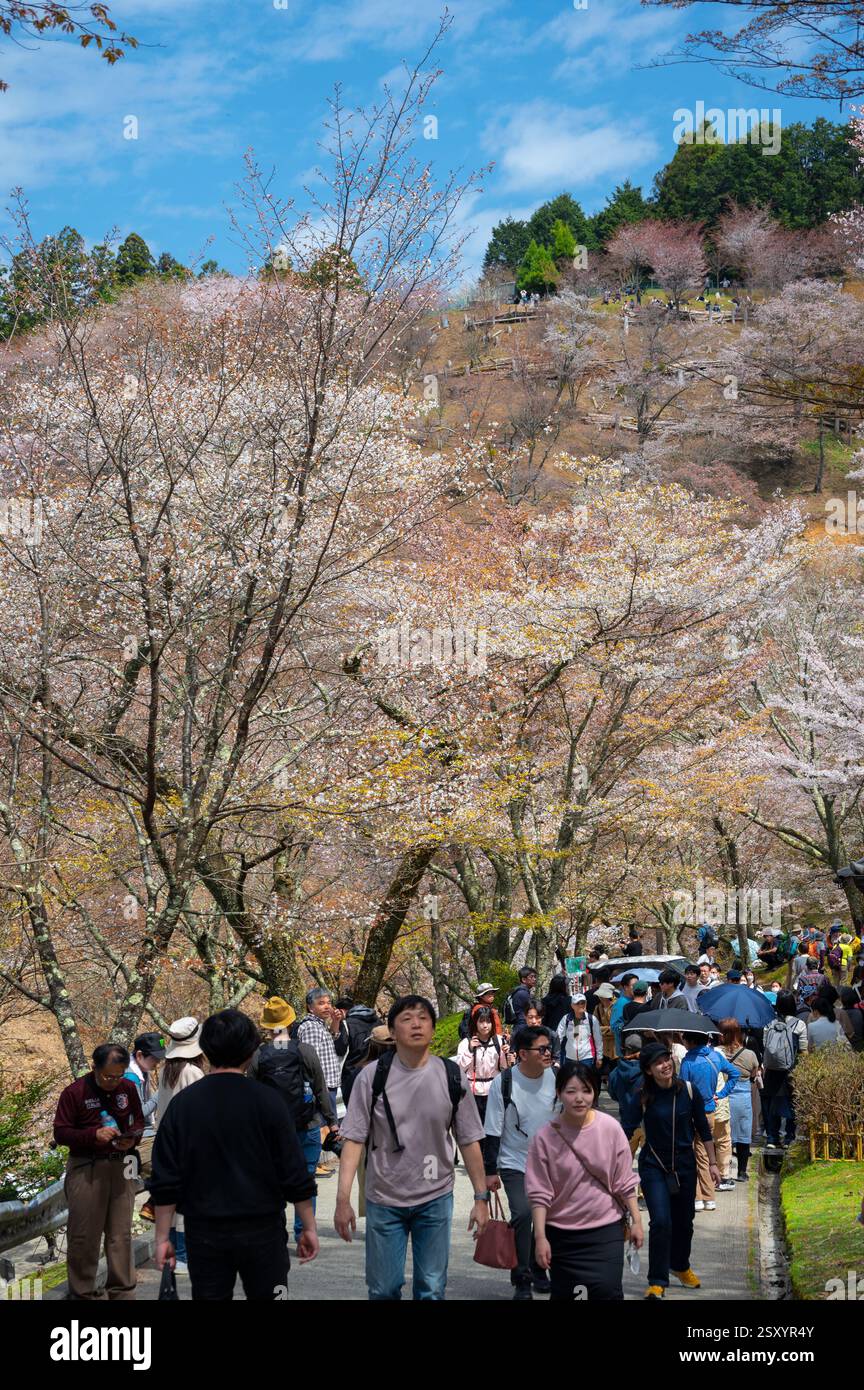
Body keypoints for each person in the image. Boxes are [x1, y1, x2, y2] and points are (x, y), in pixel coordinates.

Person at [151, 1009, 318, 1300]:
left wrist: (163, 1237)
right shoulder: (269, 1102)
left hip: (204, 1230)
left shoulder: (183, 1106)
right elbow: (293, 1169)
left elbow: (166, 1177)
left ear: (205, 1049)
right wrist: (309, 1227)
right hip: (264, 1227)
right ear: (252, 1050)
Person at [335, 995, 489, 1301]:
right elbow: (353, 1139)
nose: (416, 1024)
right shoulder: (371, 1077)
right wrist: (343, 1200)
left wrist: (480, 1197)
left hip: (435, 1196)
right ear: (392, 1031)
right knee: (383, 1289)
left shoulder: (451, 1075)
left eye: (423, 1018)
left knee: (431, 1289)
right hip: (384, 1198)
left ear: (433, 1028)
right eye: (406, 1018)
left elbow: (469, 1139)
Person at [526, 1061, 643, 1301]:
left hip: (605, 1230)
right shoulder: (545, 1138)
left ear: (595, 1093)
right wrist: (540, 1237)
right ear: (559, 1093)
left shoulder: (610, 1128)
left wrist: (637, 1221)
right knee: (568, 1295)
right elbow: (539, 1193)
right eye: (571, 1091)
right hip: (562, 1233)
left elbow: (624, 1181)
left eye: (586, 1090)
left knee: (607, 1291)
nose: (579, 1098)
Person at [53, 1043, 145, 1301]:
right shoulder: (75, 1092)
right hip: (87, 1167)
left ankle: (123, 1291)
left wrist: (132, 1138)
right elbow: (60, 1132)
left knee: (121, 1234)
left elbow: (138, 1121)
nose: (113, 1082)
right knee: (84, 1235)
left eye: (119, 1075)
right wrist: (93, 1134)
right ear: (95, 1068)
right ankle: (84, 1292)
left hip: (123, 1164)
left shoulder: (127, 1088)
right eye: (108, 1076)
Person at [247, 995, 339, 1244]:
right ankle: (303, 1234)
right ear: (290, 1022)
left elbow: (250, 1096)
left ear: (267, 1026)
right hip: (306, 1125)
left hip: (271, 1132)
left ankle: (276, 1233)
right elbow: (321, 1089)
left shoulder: (259, 1056)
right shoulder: (304, 1050)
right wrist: (331, 1122)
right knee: (305, 1180)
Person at [633, 1043, 719, 1299]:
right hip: (653, 1165)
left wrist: (713, 1164)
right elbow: (626, 1130)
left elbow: (704, 1130)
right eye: (658, 1062)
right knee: (661, 1222)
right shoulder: (641, 1095)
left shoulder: (689, 1091)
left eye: (667, 1059)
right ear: (648, 1070)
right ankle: (657, 1280)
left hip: (684, 1165)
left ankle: (680, 1266)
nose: (665, 1065)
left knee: (685, 1223)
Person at [483, 1024, 558, 1300]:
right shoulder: (503, 1083)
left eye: (549, 1047)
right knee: (524, 1213)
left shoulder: (558, 1078)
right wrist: (490, 1171)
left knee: (548, 1217)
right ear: (523, 1054)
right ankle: (522, 1278)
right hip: (515, 1161)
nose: (548, 1053)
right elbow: (491, 1131)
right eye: (542, 1049)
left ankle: (540, 1268)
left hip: (550, 1164)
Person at [156, 1017, 206, 1272]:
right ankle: (184, 1257)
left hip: (166, 1144)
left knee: (172, 1201)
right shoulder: (193, 1072)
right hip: (189, 1146)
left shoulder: (166, 1071)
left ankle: (173, 1254)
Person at [679, 1032, 740, 1206]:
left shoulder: (688, 1062)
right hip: (710, 1110)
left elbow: (683, 1088)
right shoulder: (715, 1057)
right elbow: (735, 1074)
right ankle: (708, 1197)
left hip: (691, 1113)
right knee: (705, 1153)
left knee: (693, 1155)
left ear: (690, 1041)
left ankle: (699, 1196)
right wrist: (720, 1094)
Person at [123, 1031, 165, 1222]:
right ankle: (153, 1206)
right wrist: (161, 1094)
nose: (157, 1063)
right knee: (170, 1167)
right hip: (139, 1138)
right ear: (139, 1055)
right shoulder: (131, 1077)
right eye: (154, 1059)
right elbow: (139, 1113)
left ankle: (152, 1205)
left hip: (146, 1133)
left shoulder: (141, 1072)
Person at [762, 991, 808, 1147]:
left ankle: (772, 1138)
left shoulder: (769, 1024)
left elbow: (765, 1046)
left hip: (772, 1070)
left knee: (772, 1104)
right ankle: (789, 1137)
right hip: (791, 1070)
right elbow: (803, 1050)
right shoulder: (799, 1024)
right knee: (792, 1103)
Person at [456, 1007, 512, 1134]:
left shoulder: (499, 1041)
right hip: (473, 1092)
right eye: (481, 1021)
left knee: (494, 1128)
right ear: (475, 1023)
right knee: (476, 1130)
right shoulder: (466, 1043)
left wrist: (506, 1055)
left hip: (494, 1090)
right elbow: (460, 1068)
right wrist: (470, 1050)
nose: (485, 1025)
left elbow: (504, 1067)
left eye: (488, 1021)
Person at [717, 1019, 759, 1182]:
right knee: (743, 1134)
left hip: (722, 1095)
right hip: (742, 1097)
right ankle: (742, 1171)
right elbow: (755, 1074)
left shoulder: (716, 1052)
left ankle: (723, 1172)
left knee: (722, 1136)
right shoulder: (749, 1054)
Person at [297, 988, 343, 1112]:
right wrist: (319, 1088)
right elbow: (310, 1061)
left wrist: (336, 1021)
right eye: (321, 1003)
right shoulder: (311, 1027)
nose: (327, 1006)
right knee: (327, 1127)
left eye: (329, 1003)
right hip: (322, 1087)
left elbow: (332, 1037)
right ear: (310, 1008)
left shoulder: (319, 1025)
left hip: (327, 1084)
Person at [607, 1033, 645, 1157]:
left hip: (627, 1123)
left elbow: (613, 1095)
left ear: (625, 1050)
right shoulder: (649, 1071)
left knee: (624, 1166)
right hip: (647, 1124)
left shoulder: (615, 1073)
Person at [337, 999, 380, 1104]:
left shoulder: (347, 1024)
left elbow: (340, 1049)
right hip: (378, 1071)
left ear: (342, 1011)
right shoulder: (378, 1021)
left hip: (353, 1075)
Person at [557, 992, 603, 1067]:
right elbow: (559, 1037)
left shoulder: (592, 1019)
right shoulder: (566, 1019)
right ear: (572, 1005)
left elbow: (598, 1039)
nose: (581, 1005)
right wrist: (556, 1056)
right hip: (570, 1058)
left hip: (587, 1058)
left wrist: (599, 1057)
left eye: (583, 1003)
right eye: (577, 1003)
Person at [610, 973, 639, 1056]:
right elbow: (614, 1026)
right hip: (626, 1051)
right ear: (625, 987)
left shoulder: (636, 1000)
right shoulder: (620, 1003)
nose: (636, 988)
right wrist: (628, 1024)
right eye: (633, 985)